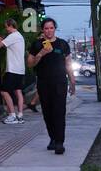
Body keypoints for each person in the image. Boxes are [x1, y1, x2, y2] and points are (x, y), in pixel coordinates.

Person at [27, 18, 76, 153]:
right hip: (43, 83)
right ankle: (53, 138)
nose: (49, 30)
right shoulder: (37, 44)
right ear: (43, 30)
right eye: (46, 28)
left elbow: (68, 64)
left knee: (59, 112)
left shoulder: (62, 44)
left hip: (60, 82)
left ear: (55, 29)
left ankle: (60, 142)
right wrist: (41, 53)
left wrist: (72, 81)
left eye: (51, 28)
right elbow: (30, 64)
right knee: (47, 112)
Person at [0, 18, 27, 123]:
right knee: (18, 91)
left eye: (6, 26)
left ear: (10, 26)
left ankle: (12, 115)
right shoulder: (19, 36)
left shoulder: (12, 36)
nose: (6, 28)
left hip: (13, 70)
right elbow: (4, 43)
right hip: (20, 69)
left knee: (4, 91)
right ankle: (20, 115)